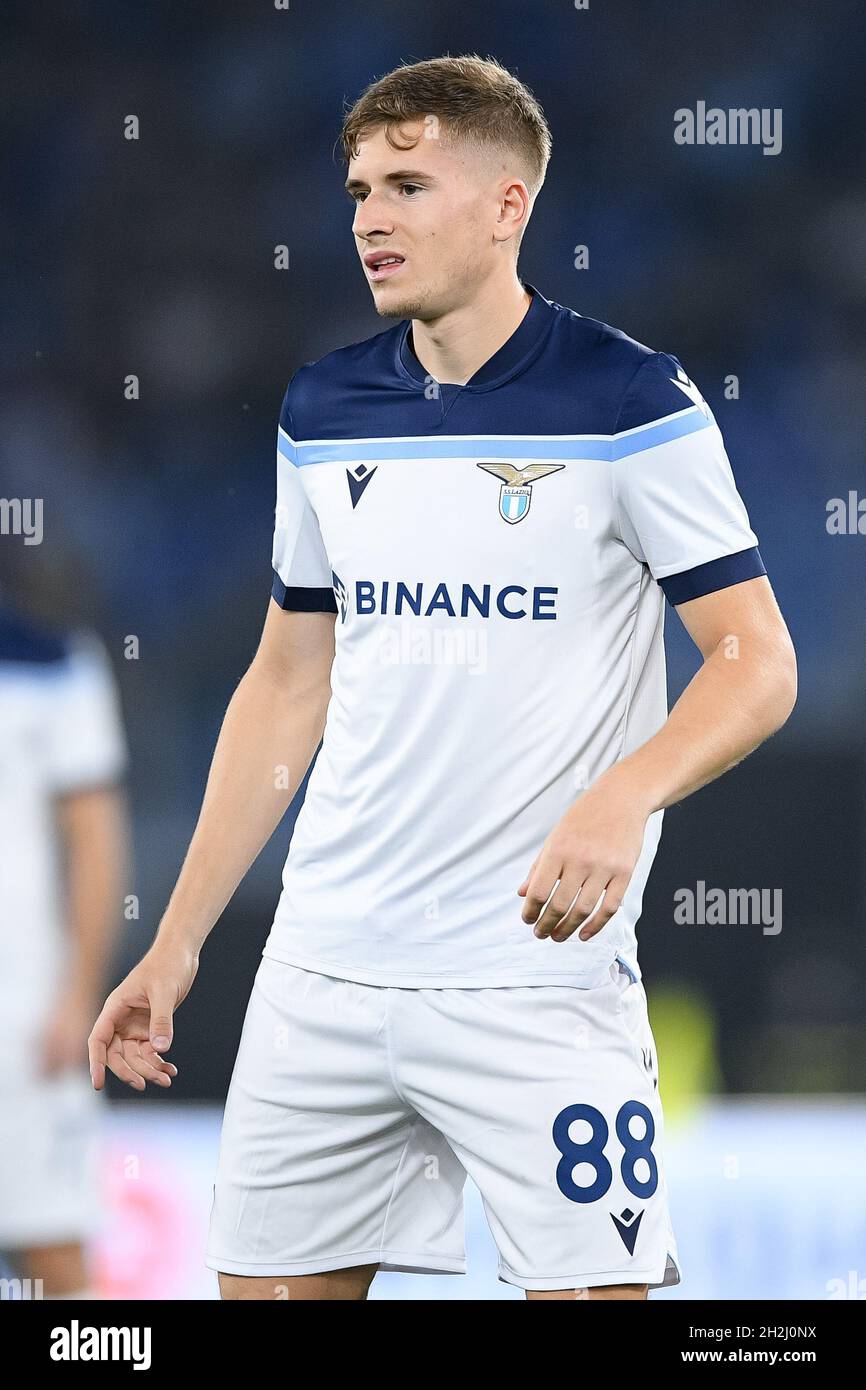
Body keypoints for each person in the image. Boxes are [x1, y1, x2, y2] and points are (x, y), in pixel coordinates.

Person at [88, 55, 797, 1301]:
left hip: (533, 979)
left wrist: (623, 795)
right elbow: (283, 684)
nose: (368, 216)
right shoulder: (323, 407)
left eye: (407, 184)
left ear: (507, 203)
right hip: (324, 966)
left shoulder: (632, 401)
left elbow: (754, 661)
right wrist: (182, 938)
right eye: (358, 187)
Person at [1, 594, 128, 1298]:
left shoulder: (50, 659)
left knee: (52, 1256)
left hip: (19, 1018)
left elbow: (96, 839)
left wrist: (78, 994)